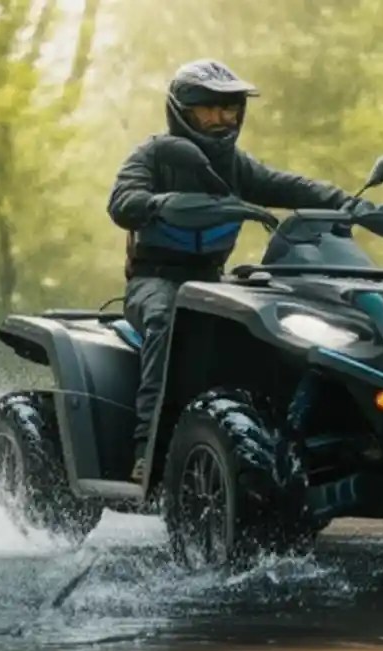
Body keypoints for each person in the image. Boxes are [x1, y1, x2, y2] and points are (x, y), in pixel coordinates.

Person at [107, 58, 365, 481]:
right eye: (208, 109)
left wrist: (347, 202)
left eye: (229, 109)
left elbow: (288, 185)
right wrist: (157, 203)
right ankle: (147, 449)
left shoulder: (235, 166)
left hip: (213, 281)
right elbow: (121, 202)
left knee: (281, 325)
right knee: (165, 320)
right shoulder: (153, 155)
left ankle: (287, 443)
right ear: (182, 112)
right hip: (156, 280)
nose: (221, 118)